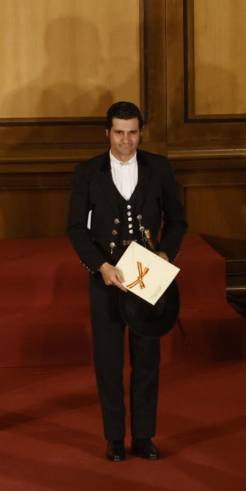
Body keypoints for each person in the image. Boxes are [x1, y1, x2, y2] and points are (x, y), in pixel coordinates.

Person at [67, 101, 187, 462]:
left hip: (147, 274)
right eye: (119, 132)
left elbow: (177, 220)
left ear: (141, 132)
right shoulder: (87, 172)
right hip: (106, 277)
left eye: (132, 132)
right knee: (108, 362)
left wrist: (165, 254)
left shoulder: (158, 167)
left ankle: (145, 436)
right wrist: (101, 266)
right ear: (107, 133)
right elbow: (76, 229)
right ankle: (115, 438)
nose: (126, 139)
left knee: (147, 359)